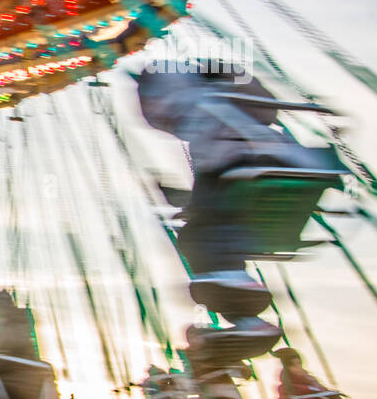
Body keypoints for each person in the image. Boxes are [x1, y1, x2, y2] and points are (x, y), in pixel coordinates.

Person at [136, 57, 339, 364]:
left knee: (200, 237)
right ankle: (246, 317)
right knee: (203, 235)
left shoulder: (207, 106)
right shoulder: (220, 107)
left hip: (252, 164)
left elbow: (211, 159)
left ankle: (239, 293)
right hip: (250, 169)